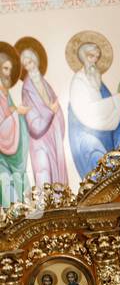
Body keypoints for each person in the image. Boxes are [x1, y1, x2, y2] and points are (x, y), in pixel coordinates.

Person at [67, 39, 120, 179]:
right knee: (97, 159)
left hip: (103, 132)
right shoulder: (78, 80)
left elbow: (108, 104)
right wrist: (118, 98)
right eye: (91, 56)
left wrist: (116, 99)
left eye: (96, 57)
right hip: (84, 134)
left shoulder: (97, 79)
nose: (94, 61)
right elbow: (87, 111)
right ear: (83, 57)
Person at [17, 42, 68, 187]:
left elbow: (56, 105)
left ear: (37, 61)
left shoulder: (44, 82)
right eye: (26, 65)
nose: (30, 67)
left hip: (53, 136)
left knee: (58, 180)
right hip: (40, 141)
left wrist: (56, 118)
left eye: (31, 62)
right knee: (44, 173)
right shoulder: (26, 89)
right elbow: (34, 125)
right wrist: (50, 112)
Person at [0, 46, 29, 203]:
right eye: (5, 68)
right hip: (2, 161)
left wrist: (15, 112)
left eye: (10, 69)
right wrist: (17, 113)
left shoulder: (6, 92)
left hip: (12, 157)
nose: (8, 73)